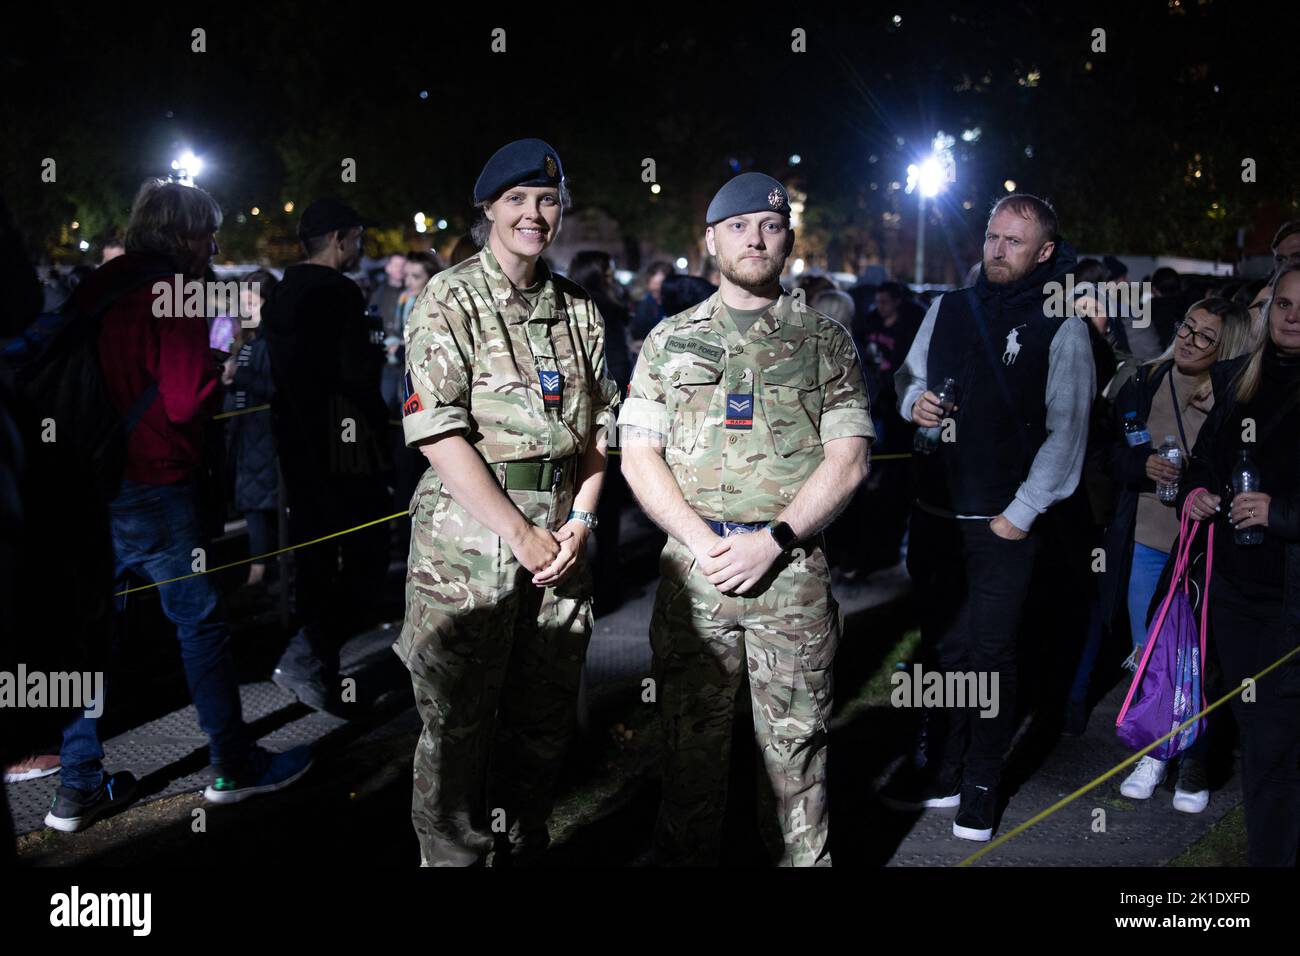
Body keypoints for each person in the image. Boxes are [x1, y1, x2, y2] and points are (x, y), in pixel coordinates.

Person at [619, 172, 874, 866]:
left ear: (787, 240)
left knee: (796, 756)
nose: (755, 238)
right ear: (709, 241)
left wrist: (774, 540)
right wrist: (705, 544)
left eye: (769, 226)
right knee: (687, 747)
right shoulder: (668, 342)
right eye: (737, 226)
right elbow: (637, 453)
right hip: (694, 578)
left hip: (789, 577)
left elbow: (848, 460)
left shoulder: (826, 341)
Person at [45, 180, 312, 830]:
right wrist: (221, 356)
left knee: (88, 638)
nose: (213, 246)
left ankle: (75, 787)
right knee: (199, 626)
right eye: (206, 233)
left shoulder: (96, 287)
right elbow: (185, 401)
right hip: (157, 482)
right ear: (183, 235)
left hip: (84, 483)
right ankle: (232, 766)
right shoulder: (179, 293)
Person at [396, 139, 619, 866]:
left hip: (562, 544)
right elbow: (436, 431)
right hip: (469, 547)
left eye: (547, 200)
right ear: (489, 209)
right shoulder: (449, 299)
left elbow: (599, 430)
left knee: (543, 718)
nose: (534, 214)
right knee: (457, 723)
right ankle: (453, 856)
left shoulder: (581, 312)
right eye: (517, 200)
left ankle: (523, 842)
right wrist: (521, 534)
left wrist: (582, 519)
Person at [885, 193, 1095, 841]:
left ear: (1045, 252)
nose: (998, 249)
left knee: (991, 654)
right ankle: (944, 770)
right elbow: (905, 378)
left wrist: (1023, 511)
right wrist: (914, 400)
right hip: (936, 512)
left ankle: (981, 781)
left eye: (1014, 241)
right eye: (992, 236)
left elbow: (1070, 430)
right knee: (943, 648)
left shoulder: (1062, 325)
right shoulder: (947, 306)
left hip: (1003, 522)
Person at [1094, 298, 1254, 804]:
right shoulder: (1143, 381)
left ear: (1225, 347)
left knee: (1200, 658)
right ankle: (1154, 754)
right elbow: (1105, 454)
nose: (1188, 339)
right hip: (1146, 540)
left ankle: (1194, 763)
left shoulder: (1238, 394)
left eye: (1205, 336)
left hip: (1206, 546)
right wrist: (1141, 466)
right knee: (1150, 653)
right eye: (1188, 327)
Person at [1182, 262, 1300, 866]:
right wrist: (1198, 491)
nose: (1293, 315)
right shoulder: (1234, 380)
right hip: (1233, 591)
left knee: (1276, 747)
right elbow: (1204, 464)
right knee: (1260, 740)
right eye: (1283, 303)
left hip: (1290, 603)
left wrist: (1279, 513)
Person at [262, 198, 392, 714]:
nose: (360, 249)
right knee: (368, 551)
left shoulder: (282, 293)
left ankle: (314, 659)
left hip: (298, 441)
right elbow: (356, 374)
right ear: (340, 239)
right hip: (346, 443)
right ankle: (310, 654)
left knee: (314, 555)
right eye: (357, 238)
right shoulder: (339, 292)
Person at [568, 250, 634, 611]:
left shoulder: (569, 305)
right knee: (605, 509)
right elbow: (618, 371)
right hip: (606, 418)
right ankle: (606, 584)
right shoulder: (607, 308)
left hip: (572, 416)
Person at [222, 269, 280, 590]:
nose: (245, 308)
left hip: (263, 434)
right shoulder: (246, 338)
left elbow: (274, 387)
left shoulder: (270, 341)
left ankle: (262, 571)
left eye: (251, 301)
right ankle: (262, 566)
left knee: (260, 504)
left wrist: (237, 377)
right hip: (246, 433)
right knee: (253, 503)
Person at [630, 260, 674, 342]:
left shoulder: (679, 304)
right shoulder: (644, 304)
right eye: (653, 291)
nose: (658, 298)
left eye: (661, 291)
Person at [368, 252, 407, 336]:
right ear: (387, 268)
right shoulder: (377, 292)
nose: (400, 269)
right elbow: (371, 313)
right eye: (396, 265)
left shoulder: (410, 293)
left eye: (403, 265)